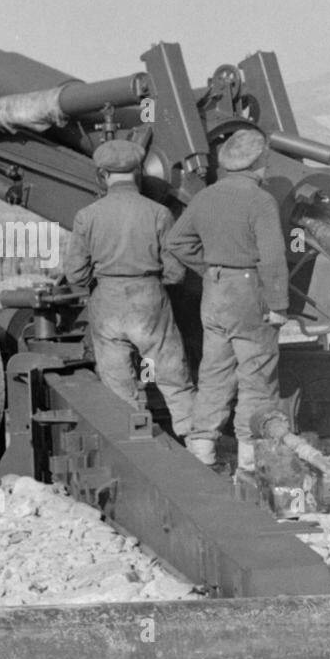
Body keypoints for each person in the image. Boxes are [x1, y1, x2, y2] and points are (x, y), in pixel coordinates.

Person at [166, 126, 289, 470]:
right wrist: (278, 305)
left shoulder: (206, 196)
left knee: (214, 372)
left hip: (214, 292)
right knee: (257, 373)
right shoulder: (261, 200)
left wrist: (208, 268)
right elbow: (273, 257)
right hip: (248, 291)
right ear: (257, 162)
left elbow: (176, 242)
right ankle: (252, 459)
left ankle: (202, 449)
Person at [63, 139, 196, 437]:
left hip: (107, 302)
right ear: (138, 172)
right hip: (149, 300)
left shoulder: (87, 216)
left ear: (102, 175)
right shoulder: (159, 213)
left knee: (118, 385)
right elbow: (175, 271)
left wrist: (98, 283)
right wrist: (155, 285)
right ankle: (198, 445)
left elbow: (74, 273)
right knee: (174, 377)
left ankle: (134, 439)